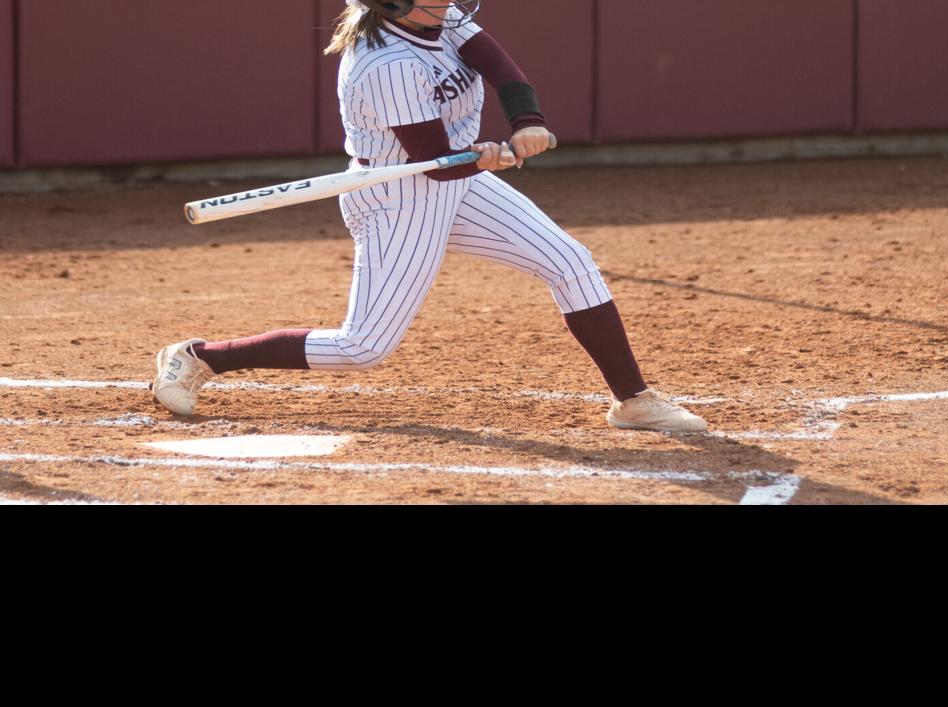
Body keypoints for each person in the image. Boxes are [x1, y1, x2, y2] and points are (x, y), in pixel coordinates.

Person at [150, 0, 708, 433]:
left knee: (570, 261)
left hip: (456, 178)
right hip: (400, 195)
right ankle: (199, 358)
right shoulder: (385, 65)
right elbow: (434, 164)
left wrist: (525, 120)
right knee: (361, 348)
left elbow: (500, 65)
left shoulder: (440, 17)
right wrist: (487, 153)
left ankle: (633, 401)